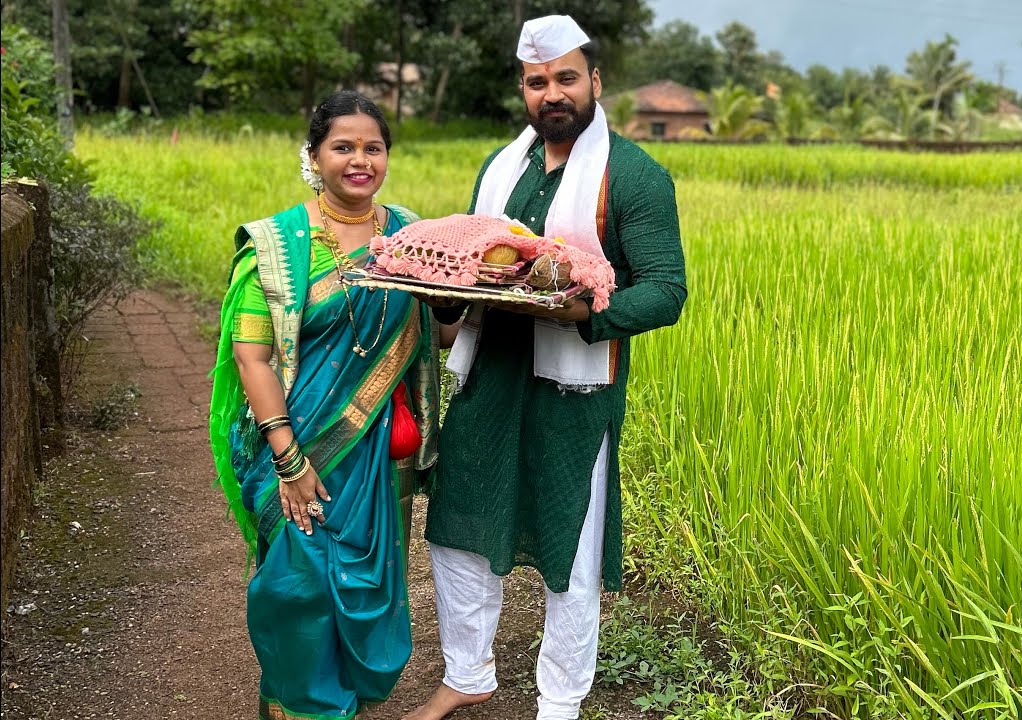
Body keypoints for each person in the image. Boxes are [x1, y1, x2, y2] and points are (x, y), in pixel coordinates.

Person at [404, 15, 687, 720]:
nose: (550, 93)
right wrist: (441, 296)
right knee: (458, 523)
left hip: (574, 392)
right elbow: (476, 262)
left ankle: (559, 701)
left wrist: (584, 315)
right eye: (537, 81)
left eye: (565, 77)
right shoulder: (502, 168)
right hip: (489, 377)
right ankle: (468, 673)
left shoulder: (634, 177)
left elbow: (665, 287)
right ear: (523, 90)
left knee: (572, 542)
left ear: (594, 81)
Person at [209, 90, 450, 720]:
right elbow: (251, 358)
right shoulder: (275, 245)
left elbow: (438, 331)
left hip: (374, 451)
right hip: (296, 449)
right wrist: (289, 460)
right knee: (300, 590)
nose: (359, 160)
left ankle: (348, 702)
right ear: (313, 155)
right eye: (343, 147)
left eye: (373, 147)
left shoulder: (408, 234)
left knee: (369, 588)